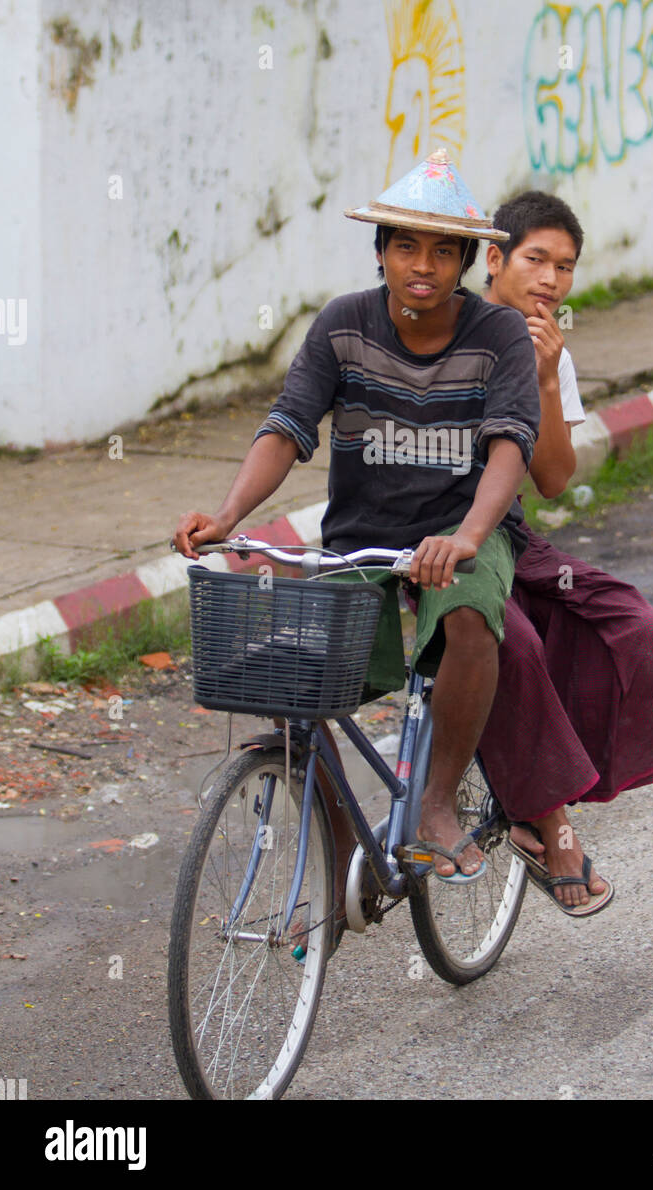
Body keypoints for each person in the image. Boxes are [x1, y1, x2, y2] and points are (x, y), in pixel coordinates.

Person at [174, 149, 540, 884]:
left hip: (459, 535)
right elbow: (286, 428)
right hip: (358, 543)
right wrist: (228, 514)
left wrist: (468, 536)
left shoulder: (497, 335)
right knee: (286, 681)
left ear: (466, 260)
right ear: (380, 253)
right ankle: (340, 844)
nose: (423, 265)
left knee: (468, 620)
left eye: (443, 250)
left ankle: (437, 805)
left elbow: (508, 448)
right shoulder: (343, 325)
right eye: (405, 245)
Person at [479, 190, 653, 916]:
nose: (548, 280)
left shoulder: (548, 349)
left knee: (635, 628)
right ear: (493, 257)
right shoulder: (453, 327)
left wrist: (545, 377)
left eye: (564, 267)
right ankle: (549, 822)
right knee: (516, 644)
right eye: (535, 259)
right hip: (424, 536)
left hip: (507, 534)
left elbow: (552, 477)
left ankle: (550, 790)